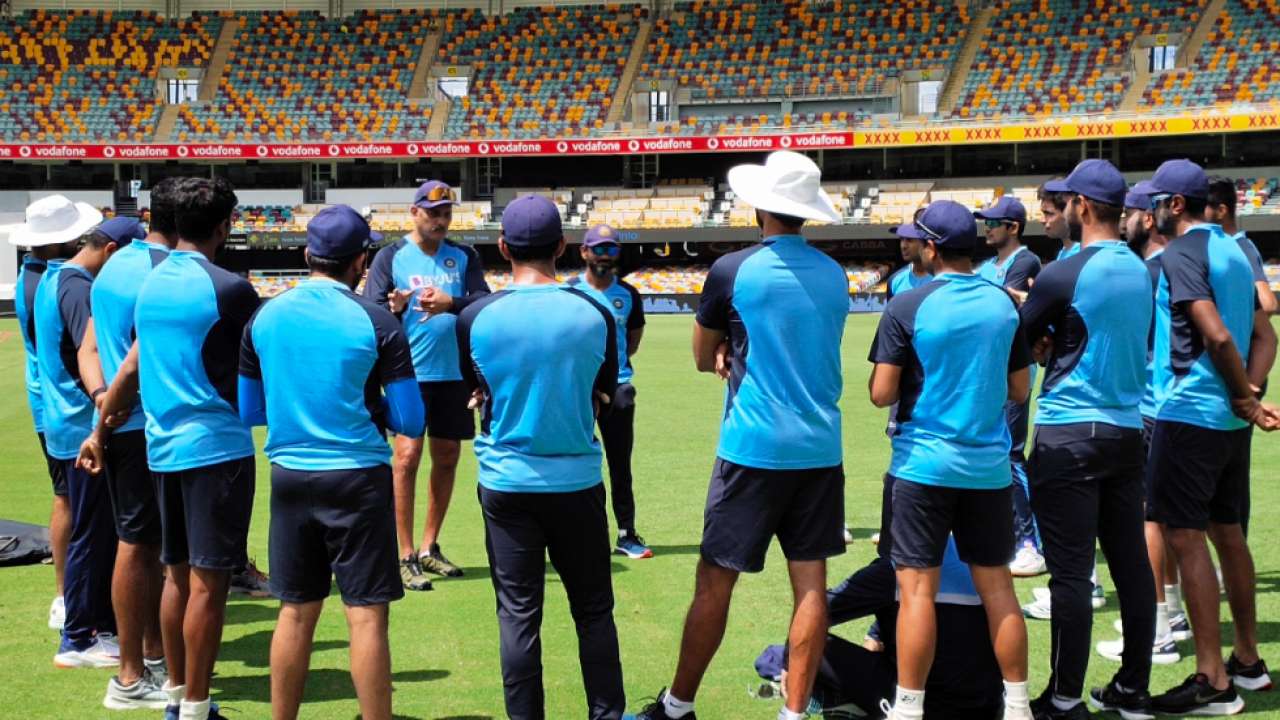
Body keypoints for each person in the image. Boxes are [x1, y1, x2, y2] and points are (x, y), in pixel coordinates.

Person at [634, 150, 848, 720]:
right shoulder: (834, 275)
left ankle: (678, 706)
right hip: (820, 448)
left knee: (714, 583)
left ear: (760, 205)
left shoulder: (734, 269)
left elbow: (705, 359)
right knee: (810, 586)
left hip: (753, 447)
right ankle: (794, 712)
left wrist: (731, 350)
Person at [238, 206, 424, 720]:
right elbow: (411, 418)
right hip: (358, 478)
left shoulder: (265, 317)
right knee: (365, 617)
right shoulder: (377, 320)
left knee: (295, 611)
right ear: (361, 260)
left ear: (306, 255)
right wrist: (372, 408)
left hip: (291, 477)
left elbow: (250, 409)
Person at [88, 176, 258, 720]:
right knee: (210, 585)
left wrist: (100, 429)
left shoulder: (152, 282)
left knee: (177, 575)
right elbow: (257, 372)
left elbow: (132, 364)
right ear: (224, 226)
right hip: (216, 447)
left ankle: (176, 696)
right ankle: (195, 706)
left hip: (162, 447)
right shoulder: (228, 288)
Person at [456, 195, 625, 720]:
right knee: (594, 610)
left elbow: (476, 387)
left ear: (503, 247)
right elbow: (606, 393)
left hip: (507, 482)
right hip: (575, 479)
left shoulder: (476, 316)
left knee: (519, 615)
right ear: (563, 247)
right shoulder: (596, 312)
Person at [868, 199, 1032, 720]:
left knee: (916, 592)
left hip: (923, 466)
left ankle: (910, 707)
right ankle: (1019, 704)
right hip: (987, 467)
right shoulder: (1003, 303)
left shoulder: (909, 305)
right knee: (999, 589)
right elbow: (1020, 389)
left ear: (931, 246)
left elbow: (880, 392)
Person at [1018, 159, 1158, 720]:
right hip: (1126, 431)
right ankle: (1132, 688)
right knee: (1131, 569)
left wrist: (1043, 340)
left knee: (1072, 574)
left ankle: (1065, 697)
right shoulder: (1143, 270)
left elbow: (1021, 337)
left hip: (1069, 431)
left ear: (1082, 207)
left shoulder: (1063, 272)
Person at [1144, 159, 1279, 715]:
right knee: (1228, 533)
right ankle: (1246, 660)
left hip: (1189, 413)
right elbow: (1264, 334)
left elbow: (1220, 334)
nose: (1148, 209)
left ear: (1176, 205)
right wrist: (1247, 393)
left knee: (1184, 537)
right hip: (1223, 420)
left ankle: (1212, 678)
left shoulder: (1180, 254)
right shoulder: (1233, 249)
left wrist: (1245, 398)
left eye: (1155, 200)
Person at [363, 180, 490, 590]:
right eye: (433, 212)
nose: (440, 220)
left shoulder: (464, 256)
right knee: (406, 459)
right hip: (408, 374)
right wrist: (393, 307)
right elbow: (371, 311)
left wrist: (451, 303)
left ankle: (428, 547)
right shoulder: (391, 256)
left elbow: (483, 303)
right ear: (414, 212)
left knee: (448, 456)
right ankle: (402, 553)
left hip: (454, 374)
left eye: (446, 213)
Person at [20, 195, 118, 668]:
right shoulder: (74, 285)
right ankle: (80, 635)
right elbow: (85, 356)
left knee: (88, 524)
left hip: (60, 417)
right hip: (80, 421)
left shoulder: (41, 277)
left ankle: (88, 622)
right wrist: (106, 407)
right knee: (92, 530)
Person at [83, 213, 174, 709]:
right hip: (142, 423)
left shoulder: (113, 267)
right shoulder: (160, 271)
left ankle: (149, 661)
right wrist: (109, 411)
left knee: (146, 543)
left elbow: (91, 345)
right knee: (139, 545)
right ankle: (130, 675)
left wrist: (102, 403)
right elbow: (140, 356)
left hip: (123, 421)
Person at [1096, 188, 1187, 669]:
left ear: (1149, 219)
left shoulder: (1149, 271)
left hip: (1152, 404)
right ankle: (1171, 613)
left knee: (1149, 519)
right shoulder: (1180, 262)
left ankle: (1157, 633)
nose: (1125, 222)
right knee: (1167, 517)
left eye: (1130, 214)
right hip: (1176, 404)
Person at [762, 538, 1005, 719]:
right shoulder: (976, 558)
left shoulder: (892, 570)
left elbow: (815, 615)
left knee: (782, 653)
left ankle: (838, 701)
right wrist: (875, 634)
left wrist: (788, 661)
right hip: (989, 705)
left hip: (926, 705)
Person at [10, 195, 89, 634]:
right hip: (65, 405)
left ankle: (67, 593)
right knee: (76, 502)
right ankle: (71, 595)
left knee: (66, 498)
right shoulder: (54, 282)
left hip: (49, 402)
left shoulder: (31, 274)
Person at [566, 225, 651, 559]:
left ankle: (626, 533)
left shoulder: (628, 294)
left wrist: (614, 374)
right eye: (597, 248)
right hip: (577, 387)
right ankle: (580, 533)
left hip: (617, 388)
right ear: (584, 252)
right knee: (576, 461)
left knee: (620, 464)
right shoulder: (569, 292)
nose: (604, 255)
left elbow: (632, 341)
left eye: (611, 249)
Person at [975, 196, 1045, 578]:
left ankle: (1029, 542)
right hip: (989, 372)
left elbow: (1008, 305)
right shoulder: (989, 266)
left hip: (1013, 371)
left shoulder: (1025, 261)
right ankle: (1010, 533)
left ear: (1013, 227)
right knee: (996, 453)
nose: (987, 229)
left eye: (993, 223)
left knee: (1013, 455)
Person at [886, 215, 932, 300]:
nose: (903, 246)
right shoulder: (895, 280)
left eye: (909, 240)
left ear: (925, 243)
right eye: (901, 239)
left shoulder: (942, 277)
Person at [1039, 177, 1079, 261]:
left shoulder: (1081, 255)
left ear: (1069, 211)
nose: (1042, 220)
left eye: (1049, 213)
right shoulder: (1064, 252)